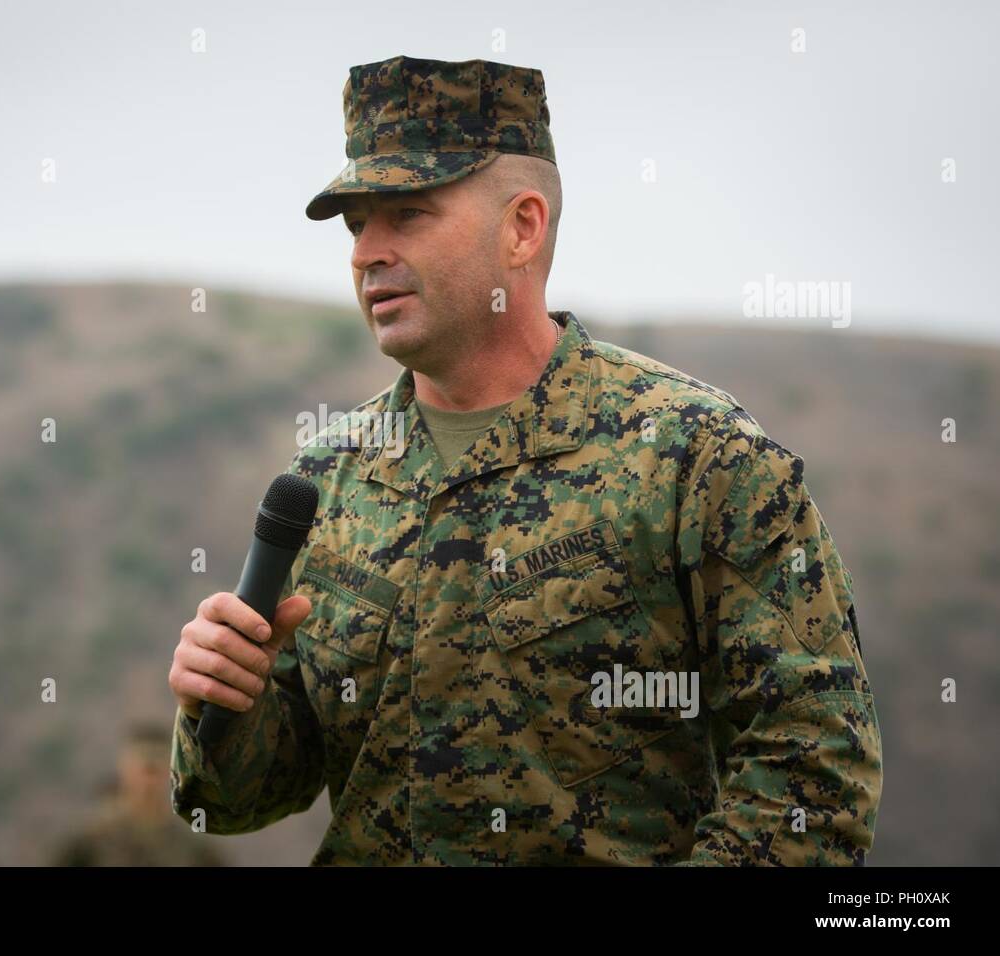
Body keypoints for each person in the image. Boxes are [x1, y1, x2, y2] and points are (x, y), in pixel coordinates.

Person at [168, 55, 882, 865]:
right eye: (355, 224)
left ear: (523, 227)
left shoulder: (698, 460)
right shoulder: (330, 477)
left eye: (406, 214)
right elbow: (236, 800)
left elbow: (815, 771)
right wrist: (224, 703)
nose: (367, 251)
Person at [53, 722, 225, 866]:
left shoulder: (195, 850)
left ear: (173, 772)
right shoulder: (88, 844)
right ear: (123, 769)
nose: (149, 780)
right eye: (144, 769)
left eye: (156, 769)